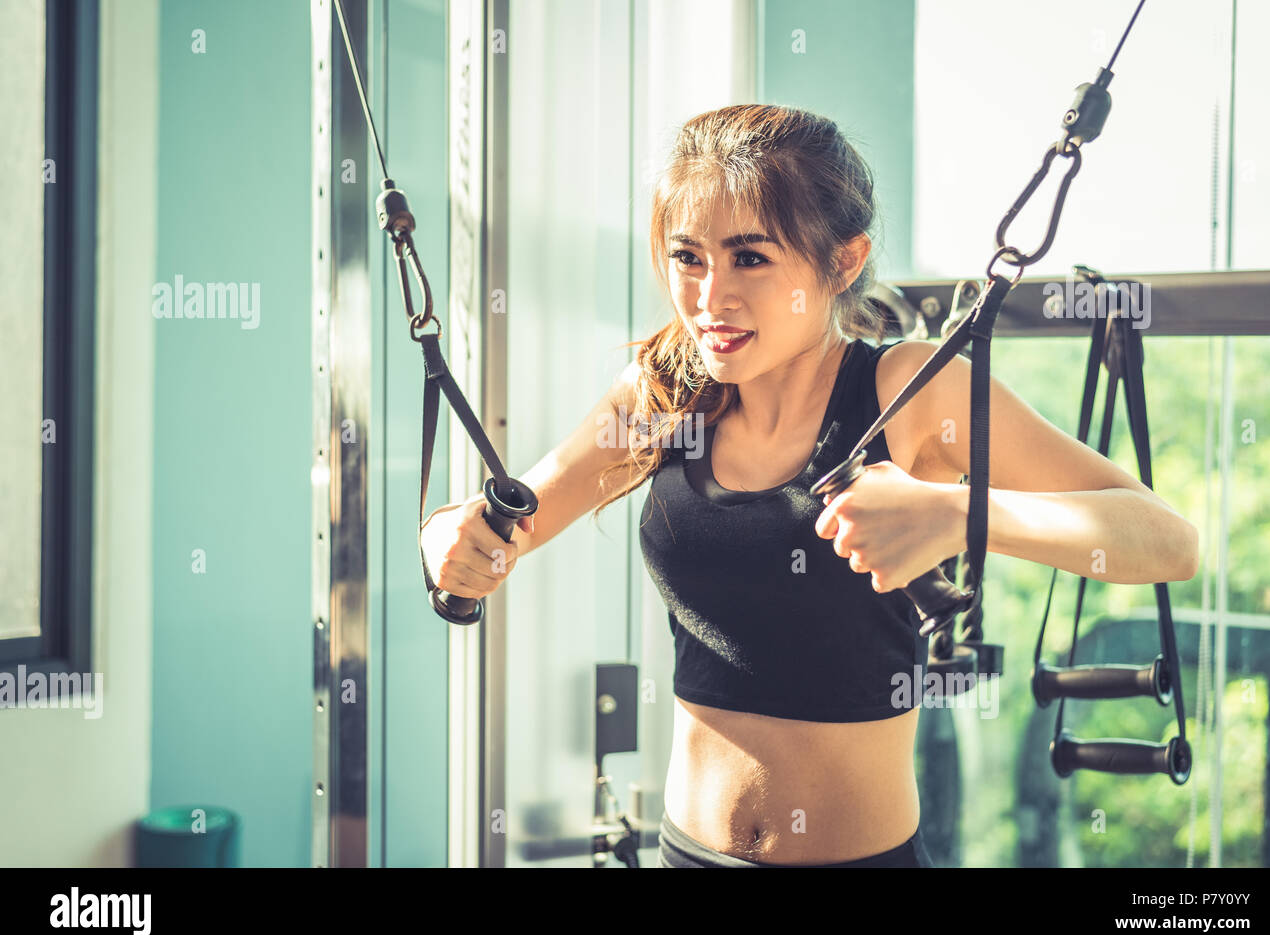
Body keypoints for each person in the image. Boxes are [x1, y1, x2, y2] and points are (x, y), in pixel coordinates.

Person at [420, 104, 1200, 868]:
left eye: (750, 258)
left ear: (844, 261)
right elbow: (510, 520)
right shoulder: (664, 391)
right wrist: (446, 537)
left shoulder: (914, 392)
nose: (709, 297)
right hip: (686, 853)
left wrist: (957, 512)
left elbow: (1166, 539)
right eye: (689, 256)